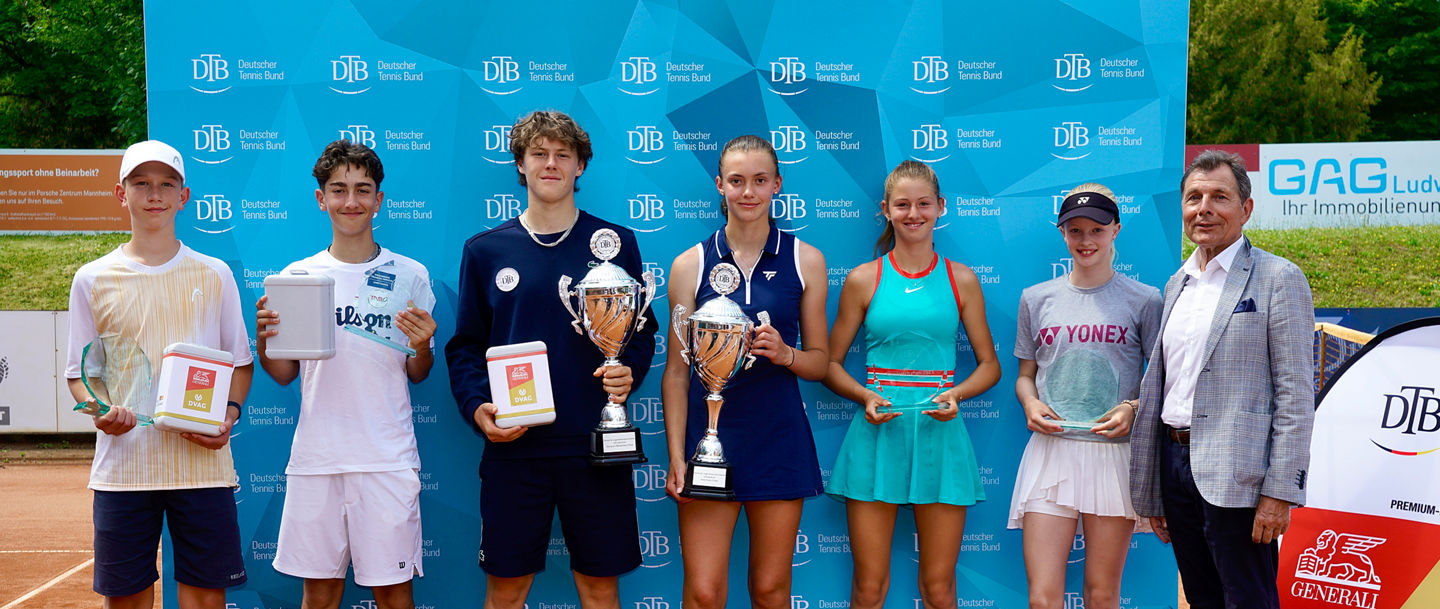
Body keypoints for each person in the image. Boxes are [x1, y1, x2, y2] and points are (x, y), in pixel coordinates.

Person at [445, 110, 657, 609]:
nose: (551, 164)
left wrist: (631, 371)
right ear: (520, 164)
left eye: (563, 154)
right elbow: (466, 347)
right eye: (539, 153)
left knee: (600, 589)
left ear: (581, 165)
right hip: (515, 445)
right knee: (507, 589)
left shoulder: (616, 244)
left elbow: (642, 330)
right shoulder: (485, 251)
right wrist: (479, 409)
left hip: (597, 444)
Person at [65, 140, 253, 609]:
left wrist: (228, 415)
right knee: (126, 601)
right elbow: (81, 374)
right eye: (141, 184)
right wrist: (103, 411)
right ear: (120, 193)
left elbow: (240, 363)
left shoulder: (215, 273)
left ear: (183, 196)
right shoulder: (92, 277)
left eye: (166, 184)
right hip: (124, 470)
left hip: (202, 468)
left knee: (206, 601)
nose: (154, 194)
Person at [1130, 149, 1315, 609]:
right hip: (1176, 468)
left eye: (1219, 197)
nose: (1204, 208)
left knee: (1249, 601)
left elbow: (1296, 394)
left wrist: (1279, 491)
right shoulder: (1177, 283)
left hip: (1241, 476)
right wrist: (1156, 485)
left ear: (1245, 209)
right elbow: (1166, 389)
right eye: (1193, 198)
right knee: (1201, 598)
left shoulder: (1279, 278)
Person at [255, 140, 436, 609]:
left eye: (363, 189)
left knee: (395, 594)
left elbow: (419, 372)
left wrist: (420, 345)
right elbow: (282, 374)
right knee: (319, 594)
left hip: (387, 459)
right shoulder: (298, 276)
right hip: (318, 459)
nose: (350, 201)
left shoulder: (411, 275)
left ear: (379, 199)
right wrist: (264, 341)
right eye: (338, 190)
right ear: (321, 199)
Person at [821, 160, 1000, 609]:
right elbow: (830, 364)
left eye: (924, 204)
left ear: (941, 207)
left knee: (938, 589)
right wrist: (865, 395)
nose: (913, 213)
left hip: (941, 436)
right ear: (886, 210)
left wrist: (957, 394)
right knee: (869, 588)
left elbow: (989, 366)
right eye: (902, 205)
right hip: (876, 435)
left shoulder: (962, 279)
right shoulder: (865, 278)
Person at [661, 135, 829, 609]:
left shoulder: (806, 260)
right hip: (709, 438)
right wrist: (678, 456)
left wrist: (786, 353)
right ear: (720, 186)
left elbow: (820, 361)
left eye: (759, 180)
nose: (748, 192)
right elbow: (676, 373)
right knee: (704, 591)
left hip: (777, 436)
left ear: (777, 184)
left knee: (771, 590)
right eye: (737, 181)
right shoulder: (689, 264)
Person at [1007, 183, 1161, 609]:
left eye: (1096, 229)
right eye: (1075, 230)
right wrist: (1030, 402)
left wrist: (1133, 408)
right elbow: (1025, 376)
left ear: (1116, 230)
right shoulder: (1036, 299)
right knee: (1042, 598)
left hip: (1112, 457)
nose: (1086, 240)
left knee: (1101, 593)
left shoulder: (1145, 299)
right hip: (1050, 453)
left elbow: (1163, 381)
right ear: (1063, 235)